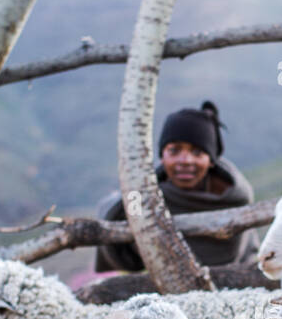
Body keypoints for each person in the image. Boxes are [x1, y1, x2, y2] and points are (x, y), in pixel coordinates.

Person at [94, 100, 257, 273]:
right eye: (174, 150)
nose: (185, 161)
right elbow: (122, 212)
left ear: (211, 161)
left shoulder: (234, 198)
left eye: (197, 152)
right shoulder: (146, 193)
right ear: (162, 156)